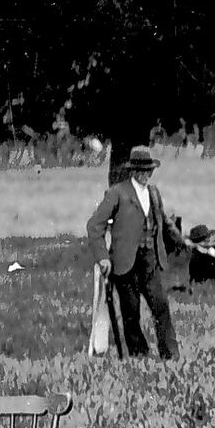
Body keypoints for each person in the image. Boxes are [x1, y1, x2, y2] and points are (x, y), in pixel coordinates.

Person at [85, 146, 181, 359]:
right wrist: (102, 257)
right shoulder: (117, 193)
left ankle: (171, 355)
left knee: (161, 306)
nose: (146, 174)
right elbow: (94, 226)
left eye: (149, 170)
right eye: (142, 170)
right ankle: (139, 354)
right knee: (131, 311)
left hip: (150, 259)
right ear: (133, 171)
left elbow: (163, 222)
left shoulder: (154, 193)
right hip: (124, 261)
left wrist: (182, 242)